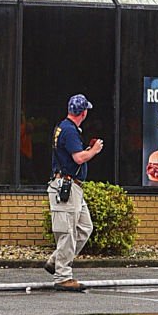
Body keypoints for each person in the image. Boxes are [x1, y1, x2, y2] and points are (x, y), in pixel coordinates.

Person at [45, 93, 104, 291]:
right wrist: (94, 150)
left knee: (85, 227)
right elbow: (78, 158)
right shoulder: (69, 131)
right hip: (66, 187)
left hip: (73, 187)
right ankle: (62, 276)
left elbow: (72, 156)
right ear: (84, 112)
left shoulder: (65, 128)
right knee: (67, 233)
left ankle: (56, 260)